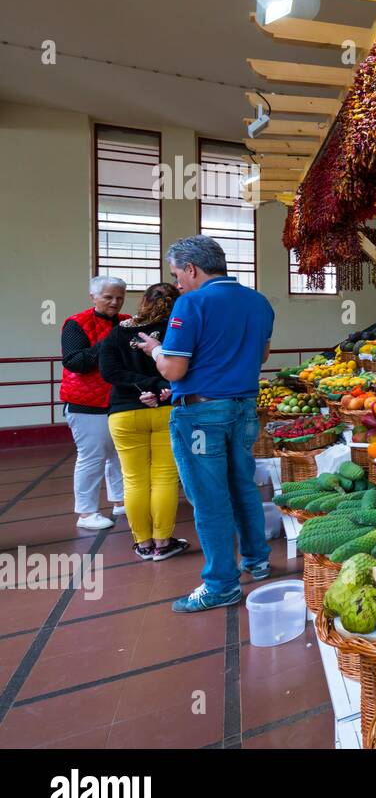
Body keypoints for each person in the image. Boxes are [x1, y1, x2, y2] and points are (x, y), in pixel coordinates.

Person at [134, 237, 275, 613]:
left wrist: (156, 351)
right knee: (242, 485)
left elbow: (174, 368)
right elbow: (261, 354)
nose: (177, 282)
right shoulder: (259, 302)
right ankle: (257, 560)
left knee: (209, 498)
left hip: (201, 414)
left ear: (192, 269)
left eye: (177, 274)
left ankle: (221, 585)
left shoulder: (192, 303)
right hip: (245, 408)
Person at [100, 282, 189, 561]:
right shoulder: (178, 333)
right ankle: (163, 543)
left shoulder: (118, 332)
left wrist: (143, 386)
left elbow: (109, 371)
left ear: (144, 302)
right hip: (166, 410)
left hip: (125, 413)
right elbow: (190, 369)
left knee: (134, 480)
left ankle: (144, 543)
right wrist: (159, 385)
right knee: (164, 478)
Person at [61, 276, 128, 531]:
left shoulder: (125, 322)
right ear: (93, 297)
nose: (115, 302)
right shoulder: (76, 324)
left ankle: (121, 501)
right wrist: (109, 343)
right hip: (85, 403)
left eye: (119, 297)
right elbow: (75, 362)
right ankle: (87, 513)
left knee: (119, 456)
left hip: (117, 400)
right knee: (92, 458)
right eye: (108, 297)